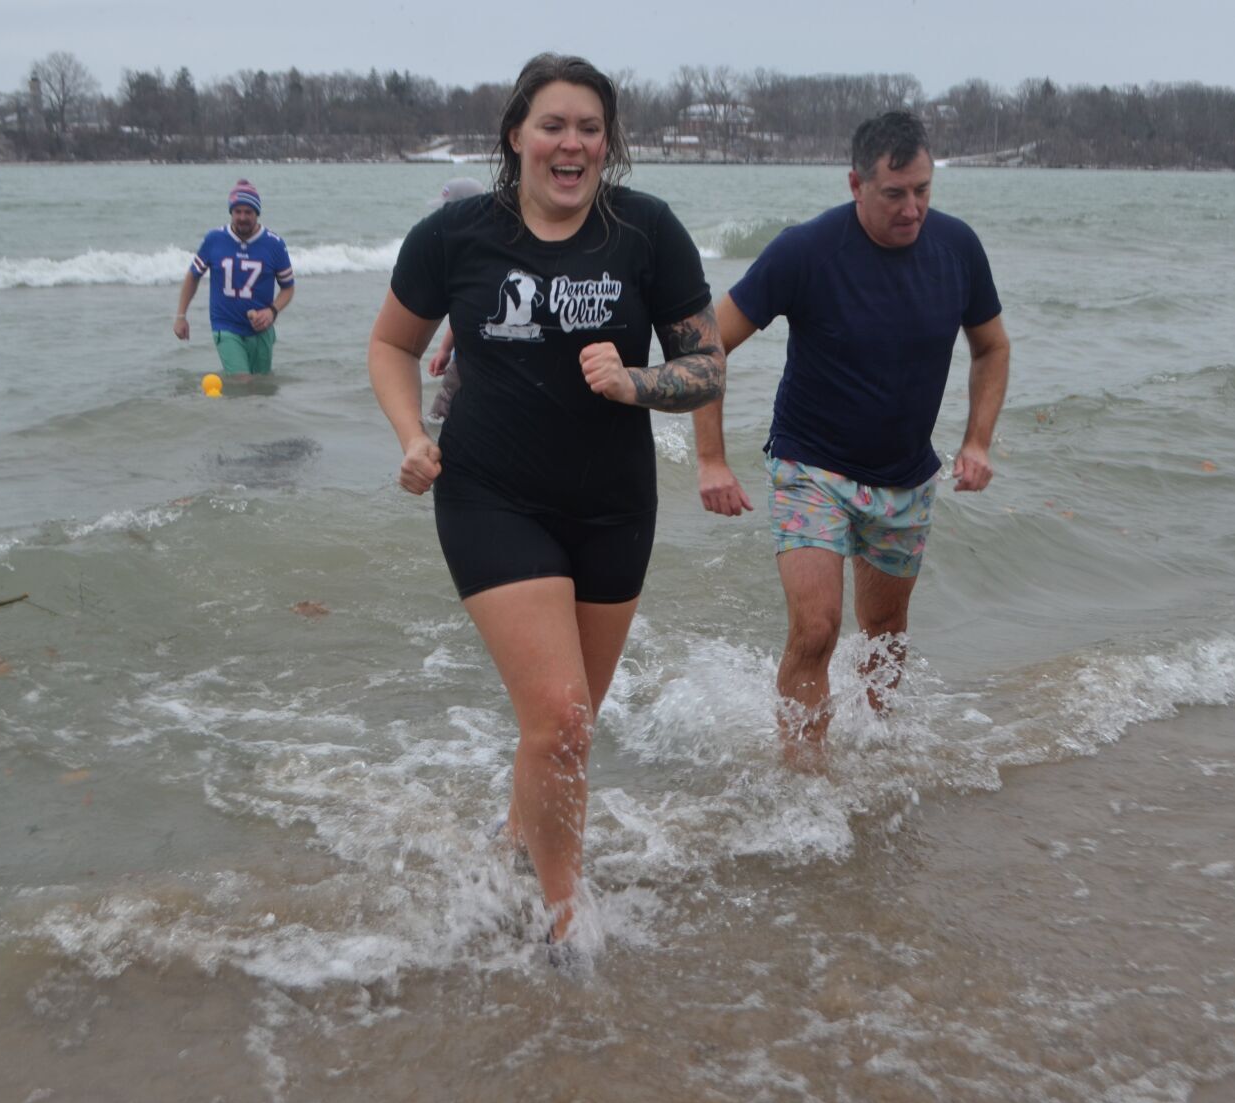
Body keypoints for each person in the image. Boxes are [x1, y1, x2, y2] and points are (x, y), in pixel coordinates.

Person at [368, 54, 724, 947]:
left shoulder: (646, 231)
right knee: (562, 716)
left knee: (565, 730)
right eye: (554, 125)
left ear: (609, 143)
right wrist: (412, 437)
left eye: (590, 128)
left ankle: (514, 842)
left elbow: (707, 366)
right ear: (516, 136)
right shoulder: (454, 236)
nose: (572, 144)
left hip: (612, 507)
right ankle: (567, 916)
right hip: (490, 494)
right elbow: (390, 345)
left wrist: (637, 382)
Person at [690, 110, 1011, 770]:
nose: (912, 207)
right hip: (812, 466)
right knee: (815, 628)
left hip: (905, 476)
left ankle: (881, 760)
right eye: (894, 193)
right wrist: (711, 458)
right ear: (855, 184)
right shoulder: (804, 251)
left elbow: (991, 347)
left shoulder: (956, 248)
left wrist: (977, 442)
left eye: (922, 189)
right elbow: (706, 344)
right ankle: (803, 780)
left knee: (885, 634)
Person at [173, 179, 296, 376]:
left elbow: (288, 288)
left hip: (261, 329)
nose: (242, 217)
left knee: (261, 387)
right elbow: (193, 276)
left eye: (248, 212)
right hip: (225, 325)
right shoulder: (214, 239)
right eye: (237, 211)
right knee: (242, 380)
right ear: (231, 212)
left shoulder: (274, 245)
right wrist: (181, 316)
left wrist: (272, 311)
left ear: (257, 213)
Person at [425, 177, 486, 420]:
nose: (442, 222)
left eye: (447, 213)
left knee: (438, 418)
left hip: (471, 364)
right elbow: (463, 313)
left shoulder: (480, 254)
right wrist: (444, 349)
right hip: (461, 356)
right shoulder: (463, 253)